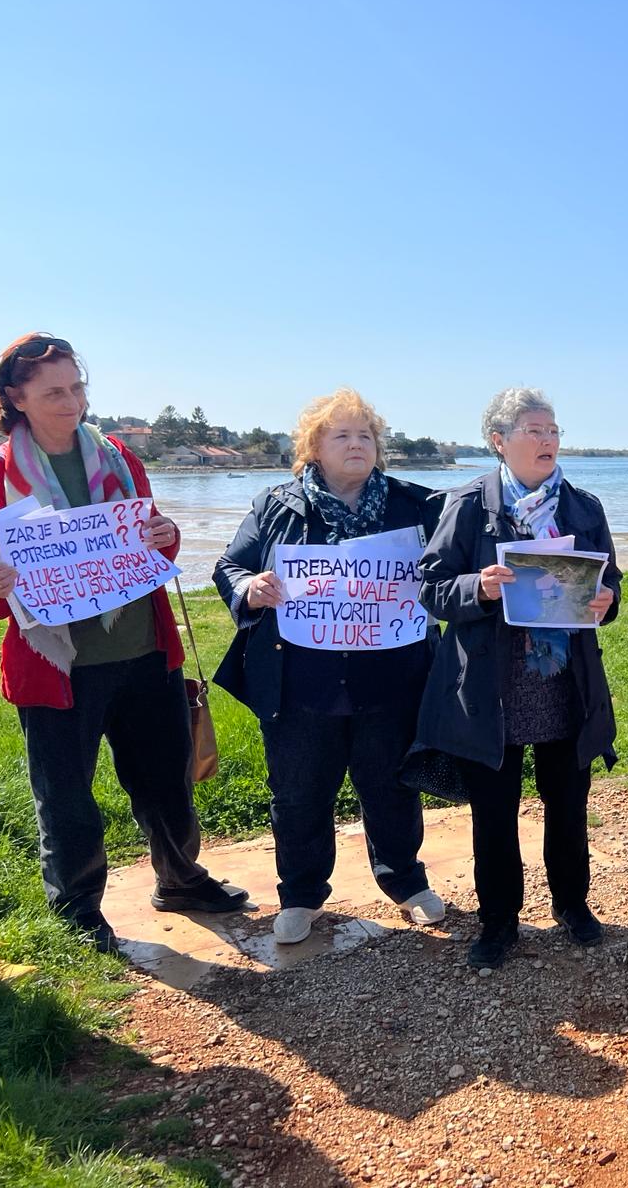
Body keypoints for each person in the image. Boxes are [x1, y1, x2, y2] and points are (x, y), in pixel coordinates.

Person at [0, 333, 247, 954]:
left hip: (145, 651)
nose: (72, 402)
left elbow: (151, 542)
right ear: (16, 398)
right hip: (57, 666)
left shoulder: (118, 456)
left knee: (167, 782)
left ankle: (181, 881)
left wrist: (166, 534)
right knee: (66, 797)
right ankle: (77, 913)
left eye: (77, 388)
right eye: (54, 392)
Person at [212, 388, 448, 944]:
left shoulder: (417, 506)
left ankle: (405, 882)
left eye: (365, 435)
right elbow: (230, 565)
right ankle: (300, 894)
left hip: (392, 678)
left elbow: (455, 566)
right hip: (299, 682)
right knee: (298, 791)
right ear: (313, 447)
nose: (357, 444)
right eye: (341, 434)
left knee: (391, 785)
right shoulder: (275, 505)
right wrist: (250, 588)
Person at [411, 387, 620, 970]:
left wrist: (607, 600)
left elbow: (611, 584)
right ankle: (499, 921)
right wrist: (479, 586)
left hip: (562, 683)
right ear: (499, 441)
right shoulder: (469, 505)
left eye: (553, 428)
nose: (548, 439)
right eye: (534, 429)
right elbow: (432, 587)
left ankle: (572, 906)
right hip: (491, 689)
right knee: (494, 814)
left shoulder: (583, 507)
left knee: (568, 804)